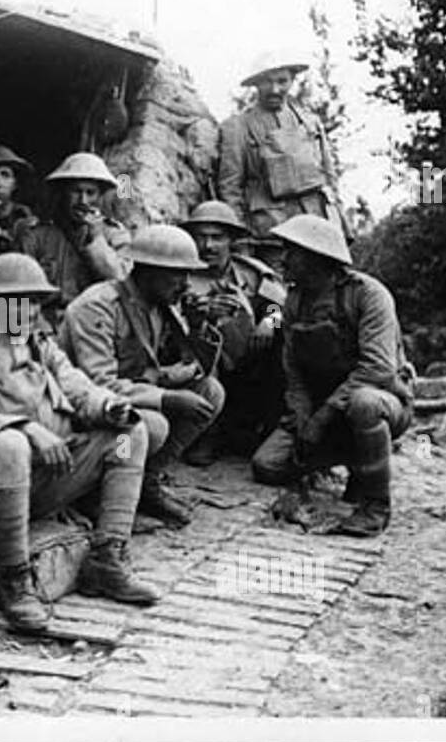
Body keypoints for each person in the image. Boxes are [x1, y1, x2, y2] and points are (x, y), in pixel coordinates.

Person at [0, 253, 160, 632]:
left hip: (48, 479)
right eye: (18, 301)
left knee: (129, 434)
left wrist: (108, 406)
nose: (29, 311)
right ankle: (15, 580)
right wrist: (25, 427)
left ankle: (107, 557)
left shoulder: (41, 345)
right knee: (10, 446)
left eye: (35, 301)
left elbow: (76, 385)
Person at [251, 214, 415, 538]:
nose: (284, 259)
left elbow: (378, 368)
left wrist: (323, 417)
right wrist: (301, 418)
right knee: (267, 465)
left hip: (380, 400)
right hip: (321, 407)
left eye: (292, 252)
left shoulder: (369, 295)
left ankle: (374, 506)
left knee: (364, 404)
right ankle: (358, 459)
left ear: (316, 258)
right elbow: (293, 368)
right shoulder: (294, 300)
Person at [58, 225, 225, 527]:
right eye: (178, 275)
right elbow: (98, 383)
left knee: (209, 392)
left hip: (128, 398)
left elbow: (188, 365)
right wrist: (165, 398)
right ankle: (98, 495)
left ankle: (146, 482)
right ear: (148, 270)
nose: (186, 285)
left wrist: (198, 328)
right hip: (85, 411)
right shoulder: (98, 306)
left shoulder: (161, 306)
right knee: (152, 425)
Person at [179, 200, 289, 460]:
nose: (208, 246)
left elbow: (281, 306)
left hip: (248, 362)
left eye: (217, 238)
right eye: (201, 238)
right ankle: (208, 434)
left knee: (285, 343)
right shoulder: (179, 274)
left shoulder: (251, 273)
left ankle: (273, 430)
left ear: (232, 241)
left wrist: (269, 323)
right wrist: (201, 320)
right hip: (197, 362)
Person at [217, 51, 347, 269]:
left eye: (282, 81)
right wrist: (240, 238)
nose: (275, 89)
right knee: (275, 297)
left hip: (315, 228)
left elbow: (329, 177)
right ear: (256, 85)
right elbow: (230, 187)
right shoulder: (237, 127)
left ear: (293, 80)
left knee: (321, 291)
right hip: (271, 235)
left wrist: (339, 224)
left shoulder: (310, 123)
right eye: (267, 82)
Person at [13, 151, 132, 314]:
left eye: (90, 193)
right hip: (43, 322)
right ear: (63, 193)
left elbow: (122, 282)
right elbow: (18, 289)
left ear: (99, 196)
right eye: (76, 192)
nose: (83, 201)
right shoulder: (38, 235)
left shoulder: (114, 235)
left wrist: (96, 240)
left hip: (91, 323)